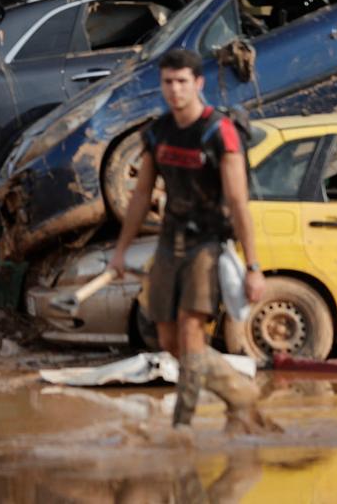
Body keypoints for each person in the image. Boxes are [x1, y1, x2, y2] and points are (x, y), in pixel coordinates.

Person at [105, 48, 275, 432]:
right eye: (168, 82)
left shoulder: (219, 131)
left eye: (182, 82)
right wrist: (119, 252)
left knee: (190, 333)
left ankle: (181, 427)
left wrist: (253, 267)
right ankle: (240, 396)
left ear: (198, 84)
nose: (175, 89)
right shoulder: (158, 132)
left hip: (208, 245)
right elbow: (140, 196)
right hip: (169, 243)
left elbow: (238, 201)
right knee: (169, 341)